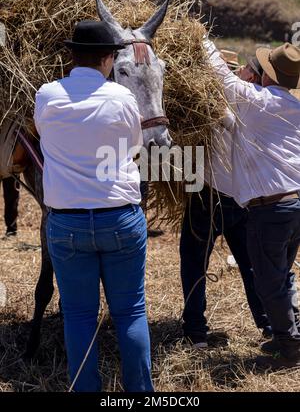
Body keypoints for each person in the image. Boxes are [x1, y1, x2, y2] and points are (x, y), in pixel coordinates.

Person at [34, 20, 153, 391]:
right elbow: (134, 146)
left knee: (79, 315)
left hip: (66, 224)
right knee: (130, 312)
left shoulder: (47, 95)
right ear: (107, 59)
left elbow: (43, 135)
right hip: (119, 218)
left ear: (73, 56)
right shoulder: (121, 98)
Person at [204, 38, 300, 368]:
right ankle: (290, 330)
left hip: (270, 208)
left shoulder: (259, 102)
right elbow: (244, 130)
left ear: (268, 75)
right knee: (281, 273)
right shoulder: (292, 107)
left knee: (267, 281)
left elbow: (223, 78)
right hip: (294, 205)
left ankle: (289, 346)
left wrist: (201, 39)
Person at [180, 56, 272, 348]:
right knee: (252, 264)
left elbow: (217, 72)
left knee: (194, 260)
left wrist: (205, 53)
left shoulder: (230, 102)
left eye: (245, 67)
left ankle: (195, 332)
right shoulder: (268, 107)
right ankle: (270, 325)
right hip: (245, 198)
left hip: (209, 196)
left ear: (253, 78)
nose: (239, 69)